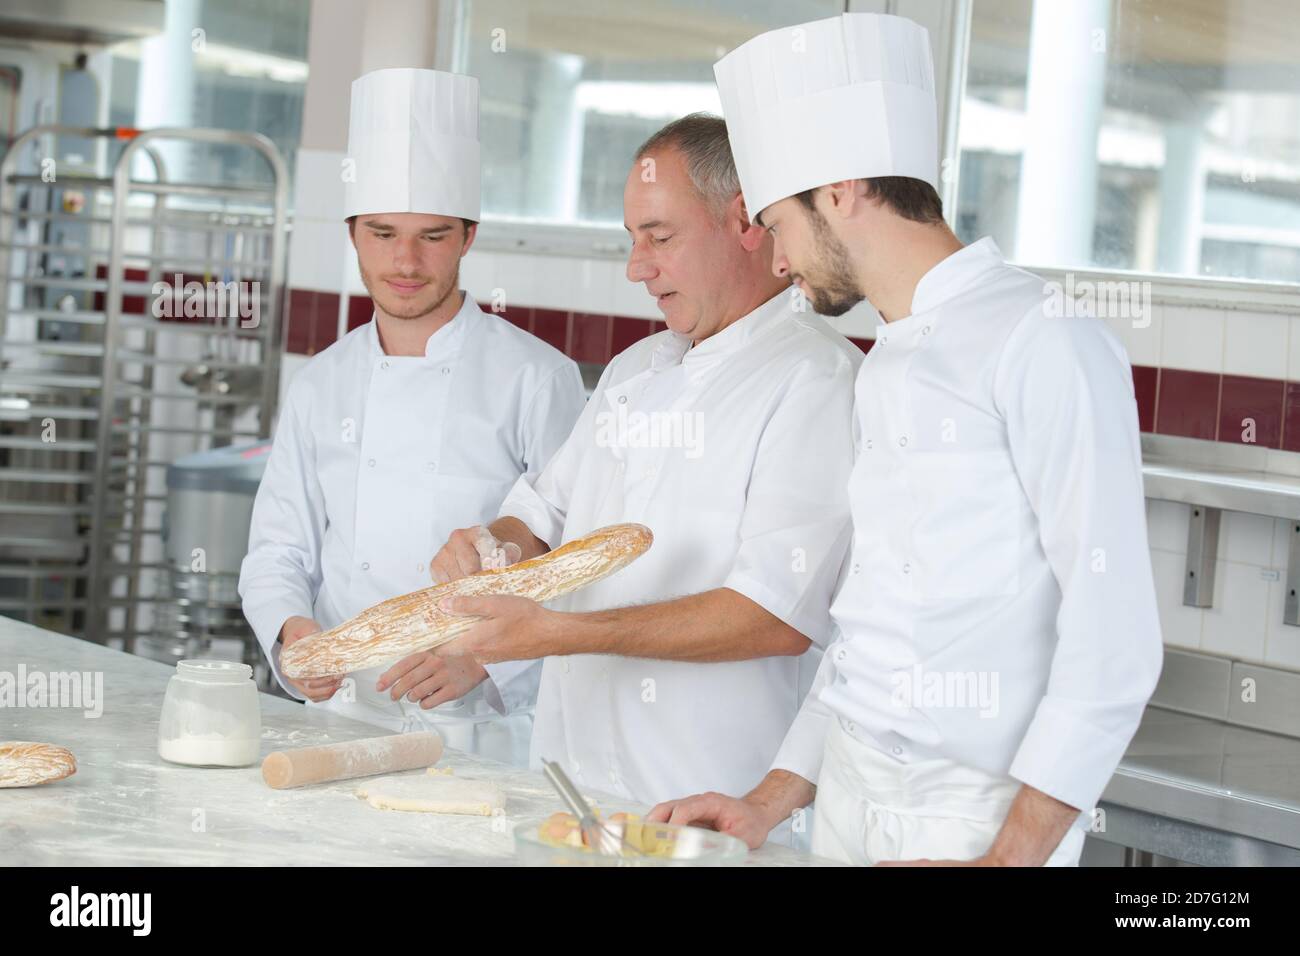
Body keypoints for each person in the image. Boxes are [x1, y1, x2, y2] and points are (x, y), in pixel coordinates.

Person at [650, 13, 1162, 866]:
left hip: (979, 812)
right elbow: (872, 625)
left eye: (778, 223)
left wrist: (1005, 861)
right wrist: (768, 801)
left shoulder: (1046, 340)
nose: (776, 262)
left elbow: (1115, 640)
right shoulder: (882, 358)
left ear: (842, 190)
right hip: (848, 793)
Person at [427, 114, 861, 824]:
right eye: (633, 240)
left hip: (707, 807)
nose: (637, 266)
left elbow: (773, 616)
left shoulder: (815, 377)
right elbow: (543, 515)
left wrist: (557, 633)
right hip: (572, 787)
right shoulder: (639, 365)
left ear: (748, 222)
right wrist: (493, 547)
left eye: (660, 238)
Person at [238, 68, 585, 766]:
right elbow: (278, 549)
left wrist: (489, 663)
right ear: (353, 234)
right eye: (382, 233)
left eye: (432, 236)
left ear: (467, 237)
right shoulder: (320, 383)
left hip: (474, 727)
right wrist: (292, 634)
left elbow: (577, 564)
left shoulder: (537, 377)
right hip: (335, 723)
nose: (405, 261)